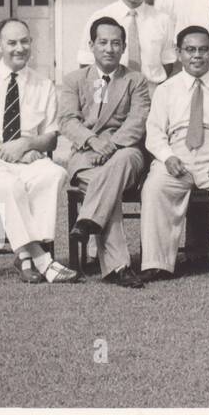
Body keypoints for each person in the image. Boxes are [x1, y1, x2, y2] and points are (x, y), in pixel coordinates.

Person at [0, 18, 77, 284]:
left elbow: (50, 139)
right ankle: (40, 258)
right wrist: (9, 150)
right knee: (8, 185)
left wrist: (27, 145)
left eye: (24, 41)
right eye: (11, 43)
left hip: (30, 160)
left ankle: (25, 255)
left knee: (54, 174)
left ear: (31, 43)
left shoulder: (43, 84)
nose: (19, 48)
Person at [139, 25, 209, 283]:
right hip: (176, 155)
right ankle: (156, 264)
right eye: (190, 50)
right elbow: (155, 131)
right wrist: (167, 157)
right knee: (154, 187)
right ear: (179, 53)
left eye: (204, 50)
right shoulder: (166, 89)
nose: (197, 56)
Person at [58, 17, 151, 288]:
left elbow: (138, 120)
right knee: (105, 185)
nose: (109, 48)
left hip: (125, 153)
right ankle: (118, 267)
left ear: (123, 48)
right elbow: (66, 120)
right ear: (91, 45)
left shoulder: (135, 80)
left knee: (117, 166)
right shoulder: (74, 79)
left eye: (116, 43)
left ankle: (88, 219)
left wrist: (111, 146)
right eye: (103, 42)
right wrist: (94, 142)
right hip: (87, 155)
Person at [77, 0, 178, 86]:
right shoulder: (99, 18)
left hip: (150, 93)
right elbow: (87, 63)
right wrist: (101, 99)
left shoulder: (163, 20)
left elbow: (168, 63)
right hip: (110, 92)